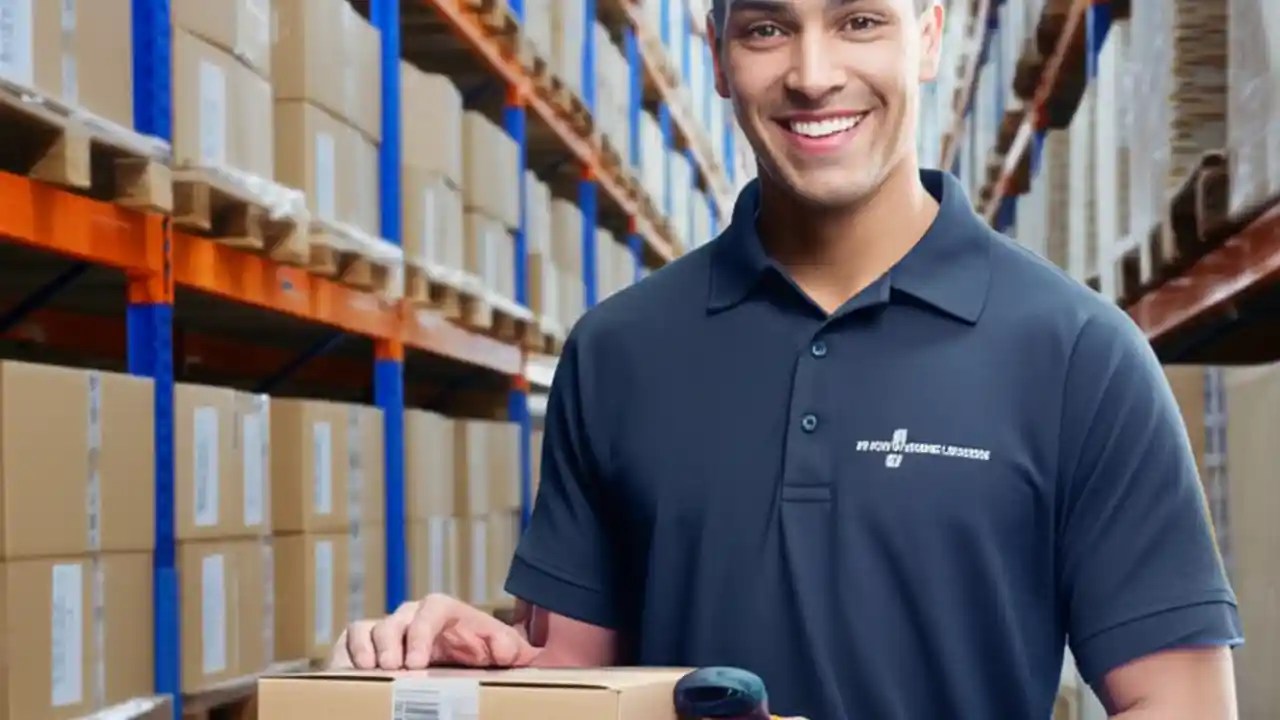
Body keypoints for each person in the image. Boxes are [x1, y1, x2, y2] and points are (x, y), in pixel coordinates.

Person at [332, 0, 1245, 716]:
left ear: (925, 40)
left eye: (859, 22)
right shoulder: (617, 351)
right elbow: (574, 682)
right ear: (720, 51)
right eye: (769, 27)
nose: (814, 74)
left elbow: (1181, 705)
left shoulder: (1079, 353)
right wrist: (463, 671)